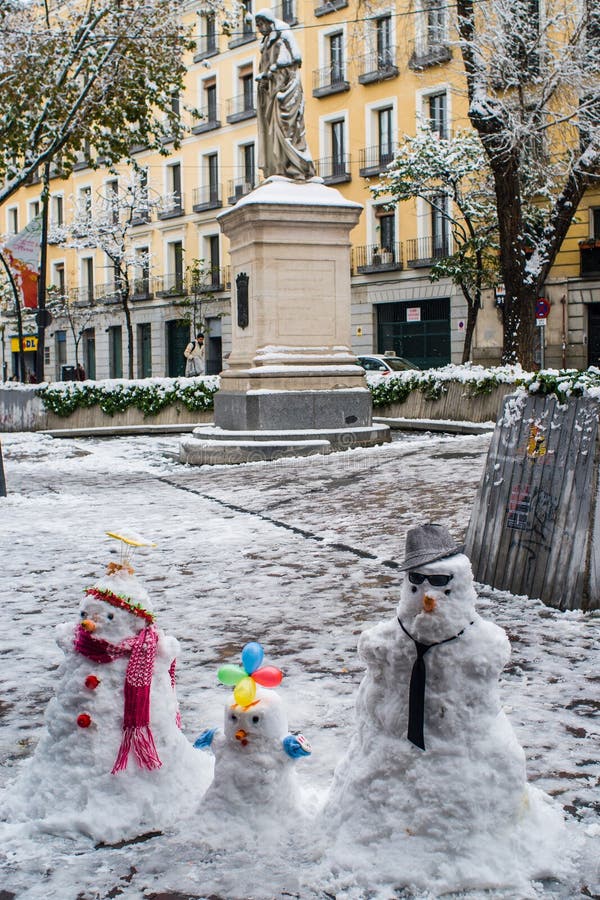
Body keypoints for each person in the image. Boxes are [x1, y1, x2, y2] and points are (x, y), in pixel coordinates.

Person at [254, 9, 315, 182]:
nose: (259, 28)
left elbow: (291, 60)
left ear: (268, 22)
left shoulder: (283, 37)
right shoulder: (266, 43)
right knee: (273, 130)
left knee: (287, 128)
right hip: (272, 93)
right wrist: (265, 79)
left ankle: (294, 165)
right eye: (257, 25)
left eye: (260, 24)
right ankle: (279, 165)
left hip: (285, 91)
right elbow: (267, 67)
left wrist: (272, 73)